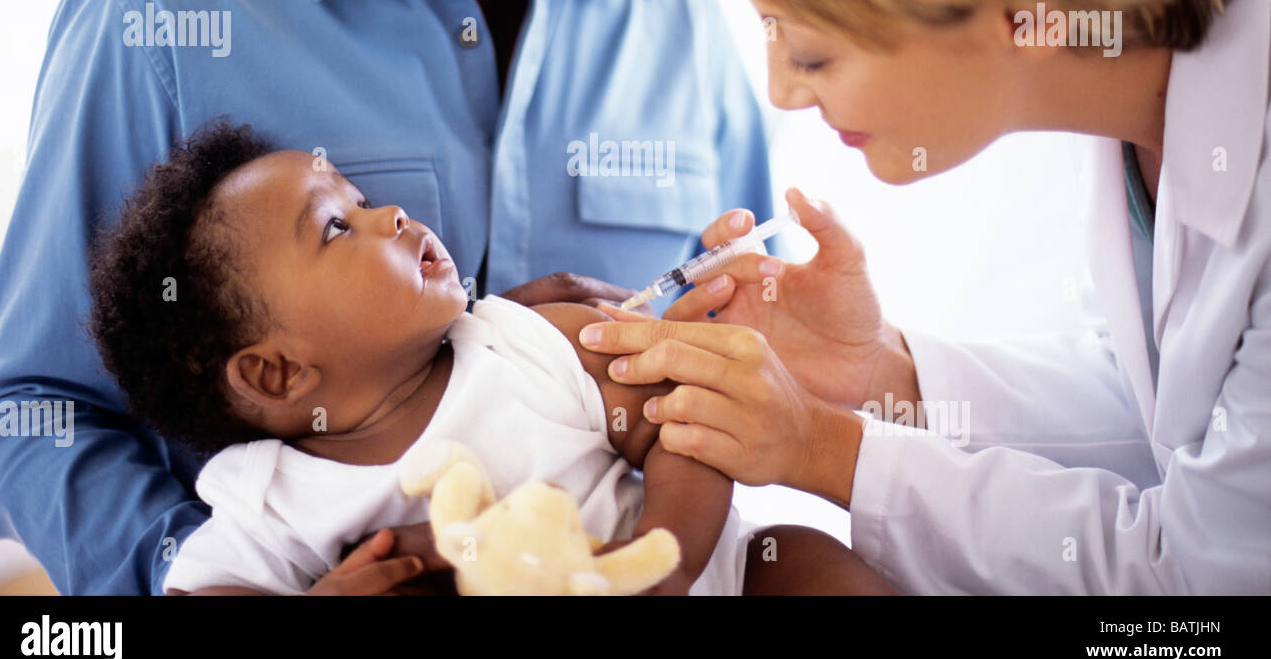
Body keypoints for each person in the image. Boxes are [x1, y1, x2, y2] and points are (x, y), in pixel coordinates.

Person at [0, 0, 772, 595]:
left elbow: (746, 368)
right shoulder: (157, 11)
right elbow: (26, 416)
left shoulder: (685, 29)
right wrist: (228, 574)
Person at [579, 0, 1271, 593]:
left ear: (1032, 5)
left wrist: (824, 450)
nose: (784, 93)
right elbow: (1170, 421)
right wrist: (879, 376)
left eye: (818, 55)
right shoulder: (1149, 109)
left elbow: (1205, 585)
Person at [85, 120, 894, 595]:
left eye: (363, 203)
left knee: (806, 565)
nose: (391, 215)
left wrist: (659, 561)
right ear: (277, 374)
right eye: (336, 228)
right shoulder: (270, 500)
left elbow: (684, 427)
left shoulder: (526, 340)